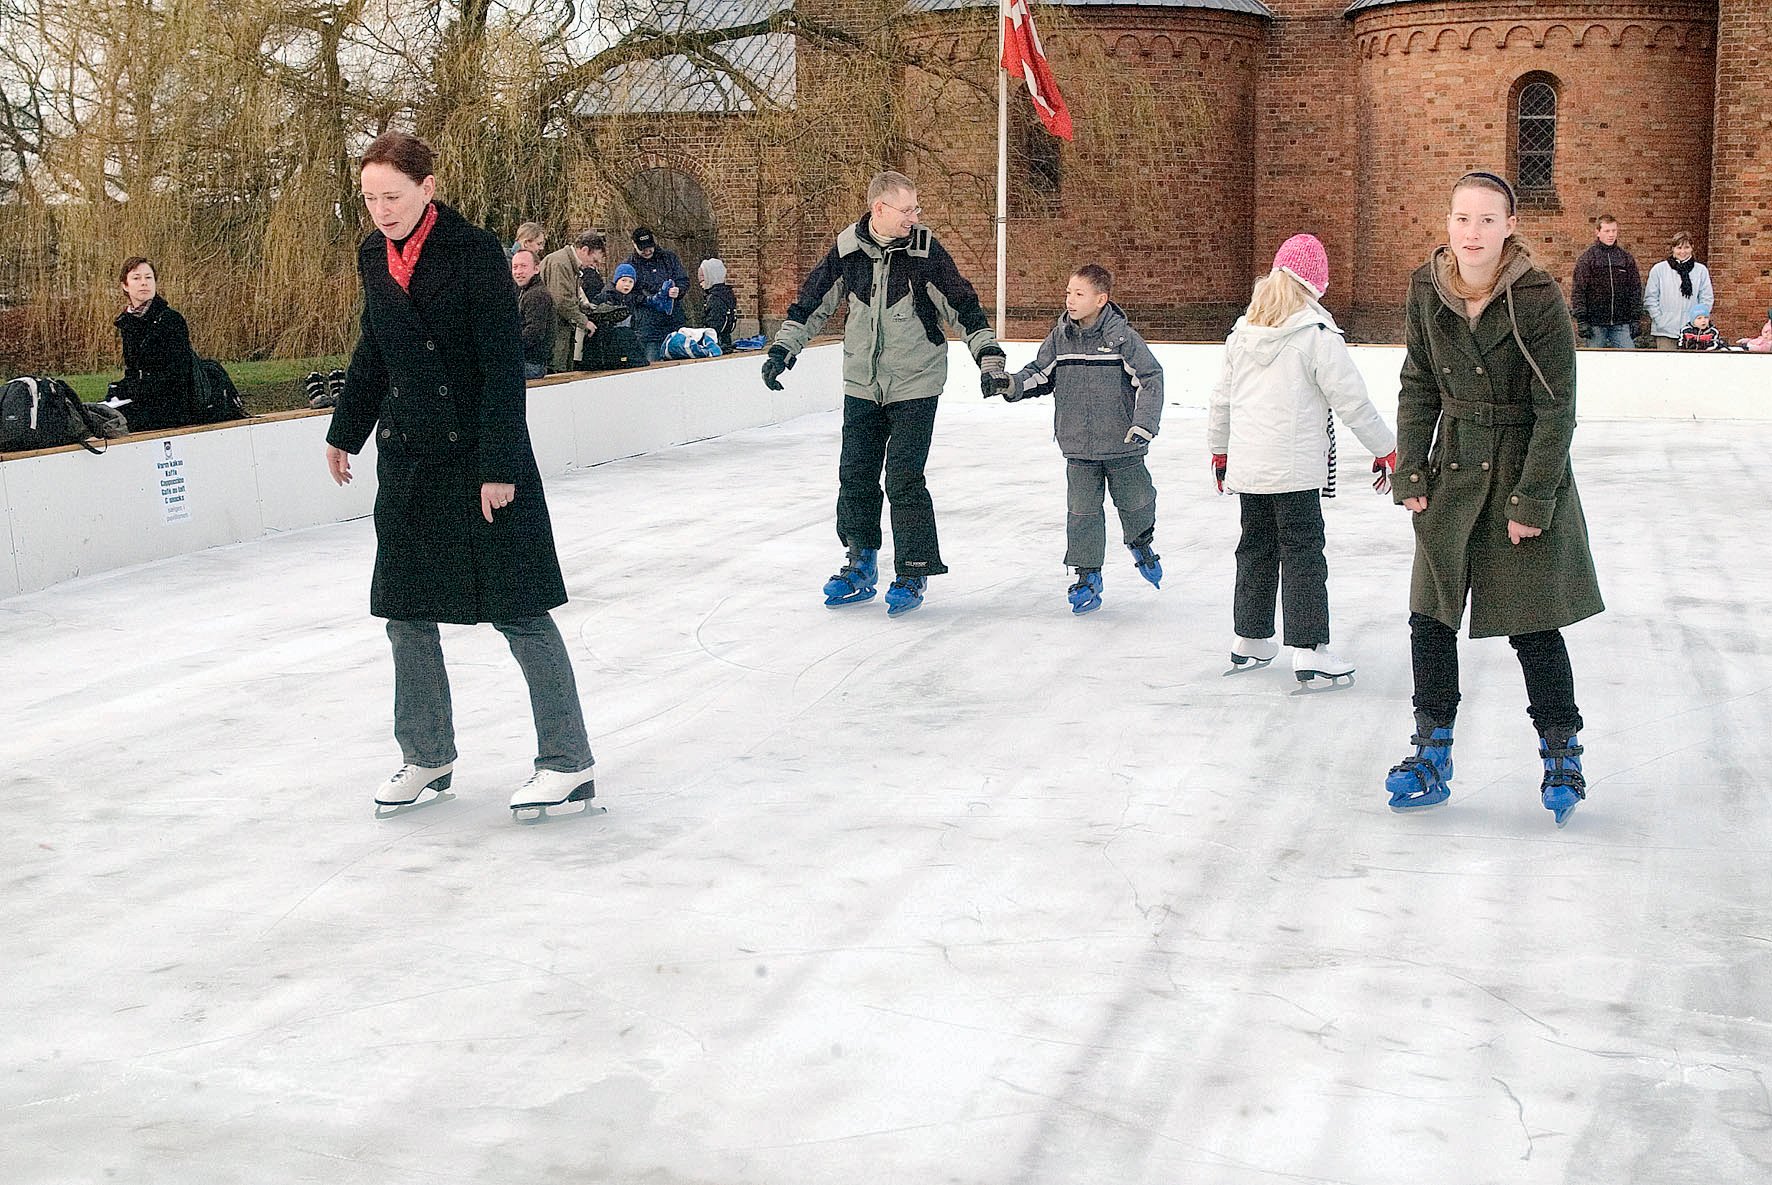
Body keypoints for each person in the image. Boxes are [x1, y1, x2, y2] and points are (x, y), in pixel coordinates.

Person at [323, 130, 597, 817]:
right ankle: (427, 753)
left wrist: (499, 464)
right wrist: (345, 430)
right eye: (369, 197)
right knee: (405, 611)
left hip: (480, 456)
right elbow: (375, 345)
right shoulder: (371, 254)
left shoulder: (473, 252)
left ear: (427, 189)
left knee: (519, 609)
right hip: (411, 457)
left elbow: (504, 366)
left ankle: (567, 761)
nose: (380, 209)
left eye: (392, 195)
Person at [1386, 171, 1604, 827]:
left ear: (1510, 225)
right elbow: (1417, 382)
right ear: (1447, 222)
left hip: (1519, 468)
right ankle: (1432, 749)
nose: (1471, 232)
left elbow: (1556, 409)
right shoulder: (1427, 287)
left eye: (1485, 220)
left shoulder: (1536, 297)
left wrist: (1533, 499)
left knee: (1532, 621)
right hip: (1452, 468)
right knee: (1431, 614)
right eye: (1461, 218)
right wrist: (1410, 471)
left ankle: (1562, 750)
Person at [763, 169, 1008, 616]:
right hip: (862, 384)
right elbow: (812, 302)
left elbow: (963, 304)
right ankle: (860, 562)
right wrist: (783, 348)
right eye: (907, 209)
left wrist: (988, 357)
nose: (914, 217)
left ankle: (913, 569)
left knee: (903, 479)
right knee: (855, 474)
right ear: (880, 208)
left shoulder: (924, 251)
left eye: (917, 208)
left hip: (915, 384)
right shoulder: (847, 250)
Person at [1205, 234, 1396, 683]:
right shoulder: (1315, 334)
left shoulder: (1242, 333)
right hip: (1293, 473)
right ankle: (1310, 648)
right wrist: (1386, 448)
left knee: (1254, 548)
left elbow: (1221, 401)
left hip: (1249, 471)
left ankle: (1249, 638)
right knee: (1303, 552)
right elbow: (1352, 401)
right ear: (1314, 285)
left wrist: (1220, 452)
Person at [996, 263, 1165, 615]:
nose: (1070, 300)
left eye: (1079, 294)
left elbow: (1150, 379)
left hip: (1123, 445)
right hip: (1078, 446)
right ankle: (1088, 576)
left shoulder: (1122, 339)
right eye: (1068, 293)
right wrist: (1010, 384)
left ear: (1100, 299)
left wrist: (1143, 424)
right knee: (1082, 513)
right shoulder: (1060, 337)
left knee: (1136, 503)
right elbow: (1038, 375)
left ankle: (1141, 541)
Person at [113, 257, 200, 432]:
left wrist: (136, 389)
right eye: (136, 278)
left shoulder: (170, 320)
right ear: (125, 285)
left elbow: (178, 373)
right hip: (145, 401)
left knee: (115, 424)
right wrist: (119, 388)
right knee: (101, 416)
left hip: (173, 406)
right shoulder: (127, 322)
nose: (144, 283)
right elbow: (134, 370)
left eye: (148, 277)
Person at [1571, 213, 1642, 349]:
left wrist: (1635, 319)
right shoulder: (1587, 259)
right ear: (1598, 232)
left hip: (1621, 322)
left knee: (1630, 358)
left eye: (1614, 231)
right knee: (1594, 362)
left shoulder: (1625, 258)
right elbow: (1579, 290)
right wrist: (1581, 320)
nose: (1611, 235)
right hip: (1595, 324)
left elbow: (1635, 289)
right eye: (1607, 231)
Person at [624, 227, 689, 363]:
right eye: (643, 249)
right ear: (634, 245)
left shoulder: (669, 258)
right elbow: (628, 296)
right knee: (651, 364)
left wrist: (678, 290)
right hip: (648, 328)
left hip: (673, 322)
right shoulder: (630, 266)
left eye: (650, 247)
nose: (647, 251)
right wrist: (647, 300)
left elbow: (683, 280)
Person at [539, 230, 601, 373]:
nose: (593, 265)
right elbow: (562, 301)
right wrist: (584, 321)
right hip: (554, 330)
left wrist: (585, 307)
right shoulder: (561, 264)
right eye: (594, 260)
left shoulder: (566, 263)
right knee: (557, 373)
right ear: (584, 250)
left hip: (559, 329)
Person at [1643, 231, 1712, 350]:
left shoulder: (1701, 270)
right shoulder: (1659, 269)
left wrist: (1699, 321)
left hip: (1692, 332)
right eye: (1679, 248)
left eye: (1686, 247)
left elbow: (1706, 298)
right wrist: (1660, 320)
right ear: (1673, 249)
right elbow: (1650, 298)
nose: (1683, 252)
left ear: (1692, 248)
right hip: (1665, 331)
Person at [511, 247, 553, 379]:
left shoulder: (537, 295)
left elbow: (534, 333)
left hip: (530, 365)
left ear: (536, 269)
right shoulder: (525, 292)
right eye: (515, 267)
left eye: (523, 266)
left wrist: (507, 347)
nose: (518, 272)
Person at [699, 258, 739, 353]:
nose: (700, 282)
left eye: (703, 277)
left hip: (716, 343)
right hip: (725, 340)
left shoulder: (715, 297)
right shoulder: (726, 294)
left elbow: (714, 324)